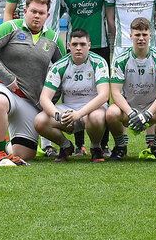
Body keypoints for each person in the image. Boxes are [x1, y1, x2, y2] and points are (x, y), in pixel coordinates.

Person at [0, 0, 66, 166]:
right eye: (33, 11)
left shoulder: (53, 39)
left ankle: (5, 146)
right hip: (2, 87)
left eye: (41, 13)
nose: (37, 16)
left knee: (25, 154)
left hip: (29, 100)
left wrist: (48, 101)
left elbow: (64, 69)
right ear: (25, 11)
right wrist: (8, 78)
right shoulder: (11, 27)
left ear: (47, 15)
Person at [34, 29, 111, 162]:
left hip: (92, 110)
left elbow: (104, 96)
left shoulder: (99, 62)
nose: (78, 48)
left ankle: (95, 147)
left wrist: (79, 114)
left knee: (96, 117)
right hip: (68, 109)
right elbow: (44, 98)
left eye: (82, 44)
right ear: (69, 46)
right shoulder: (59, 65)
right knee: (39, 121)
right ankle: (65, 146)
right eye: (75, 44)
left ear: (89, 45)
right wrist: (59, 116)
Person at [105, 18, 156, 161]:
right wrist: (131, 113)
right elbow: (115, 92)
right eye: (137, 35)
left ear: (150, 36)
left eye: (144, 34)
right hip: (128, 109)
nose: (141, 38)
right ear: (131, 36)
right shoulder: (120, 60)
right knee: (111, 113)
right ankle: (120, 147)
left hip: (150, 108)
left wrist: (148, 113)